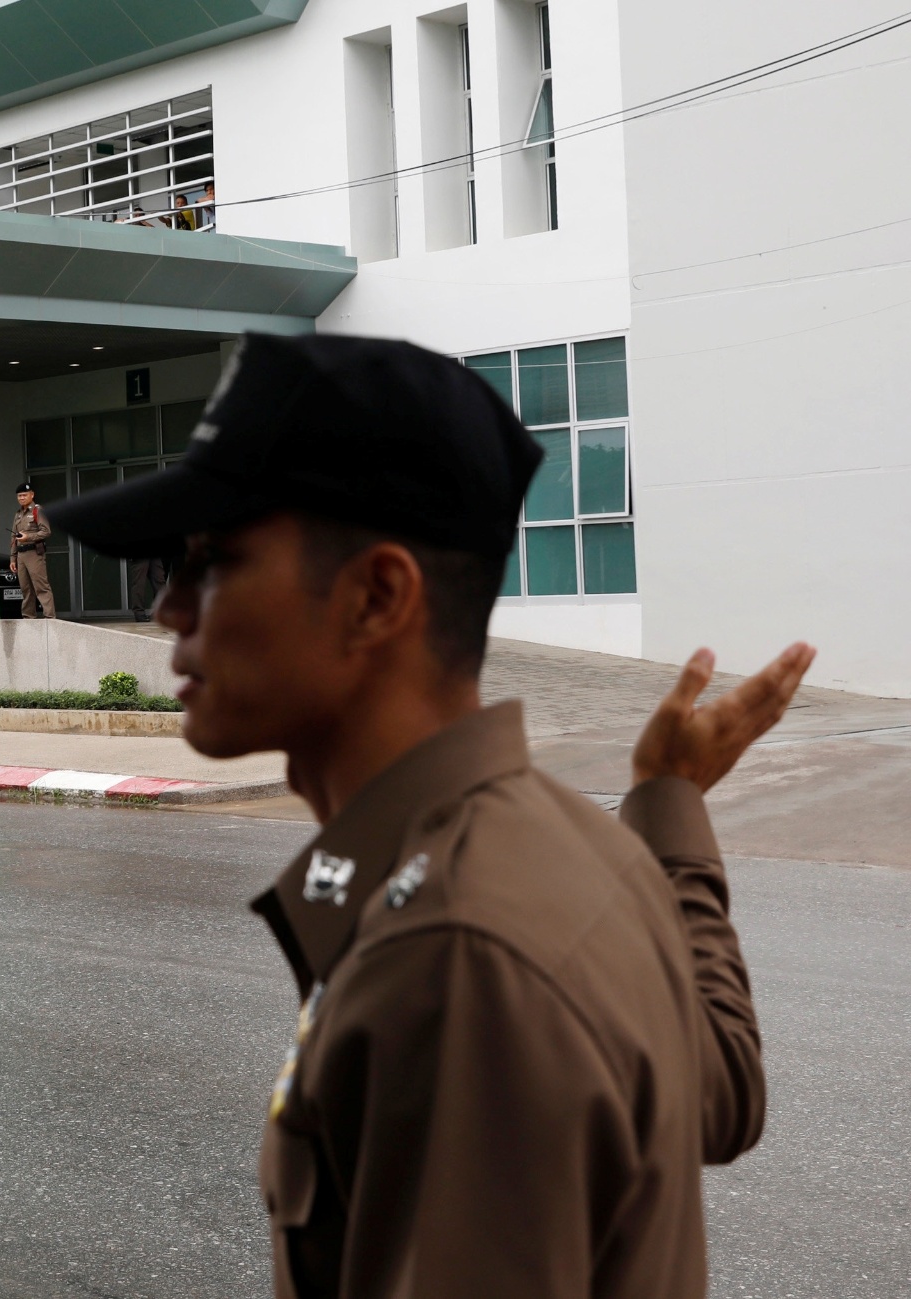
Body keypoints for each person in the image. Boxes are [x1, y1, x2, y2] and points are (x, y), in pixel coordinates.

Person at [47, 332, 810, 1298]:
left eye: (210, 559)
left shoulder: (453, 951)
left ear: (376, 597)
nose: (169, 609)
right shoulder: (574, 843)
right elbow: (722, 1092)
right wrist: (668, 801)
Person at [9, 482, 56, 619]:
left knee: (41, 586)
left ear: (32, 495)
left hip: (34, 553)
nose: (22, 498)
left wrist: (28, 537)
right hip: (21, 555)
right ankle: (28, 617)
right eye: (19, 496)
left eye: (24, 495)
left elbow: (46, 531)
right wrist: (13, 558)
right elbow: (13, 536)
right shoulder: (18, 514)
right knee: (25, 589)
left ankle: (49, 618)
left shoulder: (37, 510)